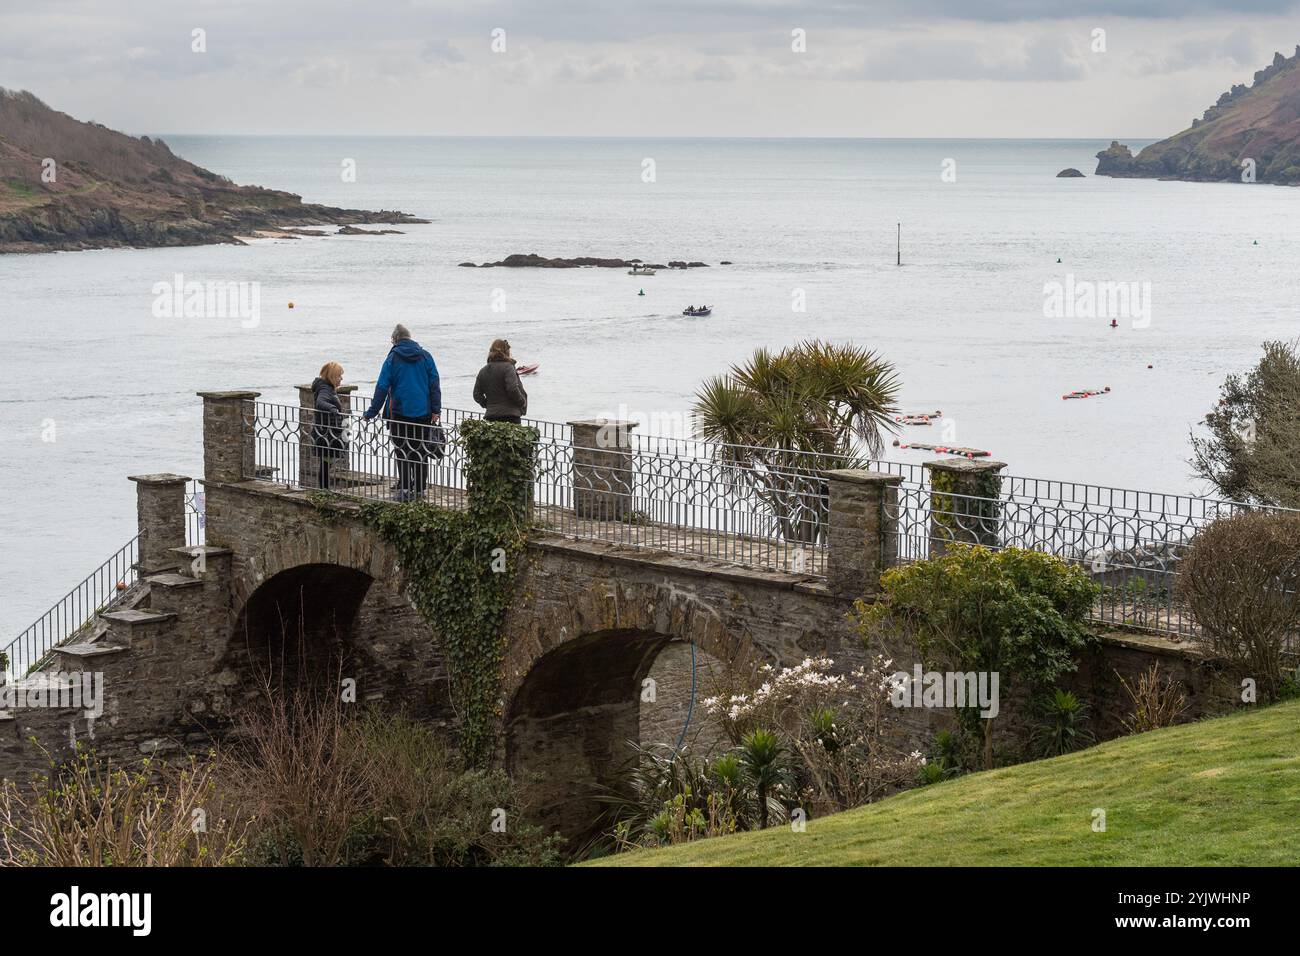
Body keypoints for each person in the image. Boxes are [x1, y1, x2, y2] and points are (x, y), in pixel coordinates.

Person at [363, 324, 442, 502]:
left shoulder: (392, 358)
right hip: (423, 413)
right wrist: (436, 409)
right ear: (410, 338)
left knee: (403, 451)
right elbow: (434, 383)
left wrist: (371, 412)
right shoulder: (425, 356)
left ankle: (405, 488)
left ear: (394, 340)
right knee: (420, 451)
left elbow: (382, 386)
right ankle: (420, 489)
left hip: (400, 413)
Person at [473, 338, 528, 424]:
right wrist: (522, 402)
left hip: (490, 415)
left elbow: (476, 394)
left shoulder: (483, 370)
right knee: (511, 437)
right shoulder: (508, 367)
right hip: (510, 415)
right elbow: (512, 389)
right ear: (506, 351)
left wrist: (488, 405)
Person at [311, 362, 346, 490]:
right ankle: (324, 490)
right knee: (326, 463)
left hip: (326, 432)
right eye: (339, 376)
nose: (341, 379)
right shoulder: (326, 389)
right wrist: (332, 408)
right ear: (332, 376)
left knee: (326, 462)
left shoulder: (326, 387)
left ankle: (324, 489)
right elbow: (320, 402)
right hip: (326, 433)